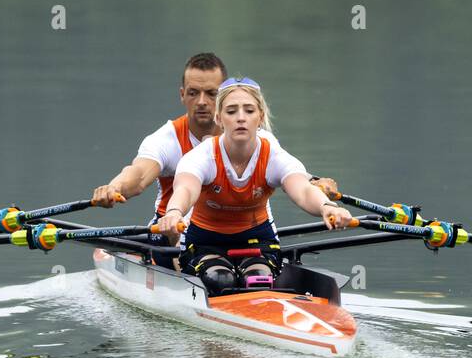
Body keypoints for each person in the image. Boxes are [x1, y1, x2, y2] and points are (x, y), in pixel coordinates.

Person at [151, 77, 353, 293]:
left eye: (249, 111)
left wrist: (327, 207)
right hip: (205, 239)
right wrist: (173, 212)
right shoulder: (201, 157)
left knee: (259, 279)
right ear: (219, 118)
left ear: (261, 117)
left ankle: (255, 299)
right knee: (219, 279)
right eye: (231, 111)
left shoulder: (274, 156)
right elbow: (185, 189)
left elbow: (303, 190)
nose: (240, 118)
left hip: (256, 239)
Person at [89, 54, 338, 229]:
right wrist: (115, 187)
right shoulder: (166, 139)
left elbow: (290, 174)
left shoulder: (260, 138)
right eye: (193, 92)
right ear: (182, 95)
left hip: (248, 233)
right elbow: (139, 175)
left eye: (211, 94)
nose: (201, 102)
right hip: (173, 229)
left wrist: (315, 184)